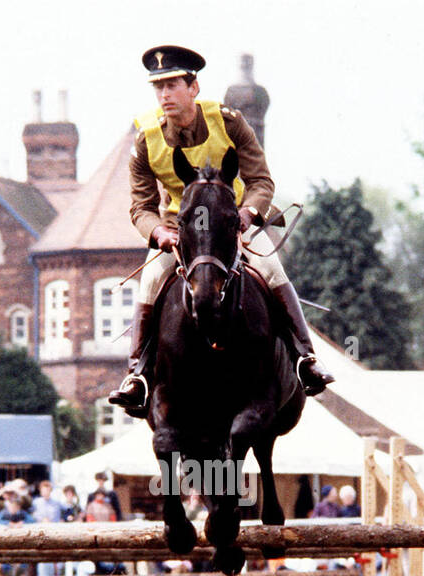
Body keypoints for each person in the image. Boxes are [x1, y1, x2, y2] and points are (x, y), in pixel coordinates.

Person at [107, 44, 333, 417]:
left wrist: (247, 214)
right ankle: (137, 376)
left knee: (274, 271)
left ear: (193, 88)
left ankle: (306, 359)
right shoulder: (145, 139)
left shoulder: (229, 123)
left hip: (233, 225)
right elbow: (140, 207)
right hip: (179, 233)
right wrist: (160, 234)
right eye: (158, 87)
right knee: (149, 282)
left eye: (172, 85)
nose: (164, 95)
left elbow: (261, 181)